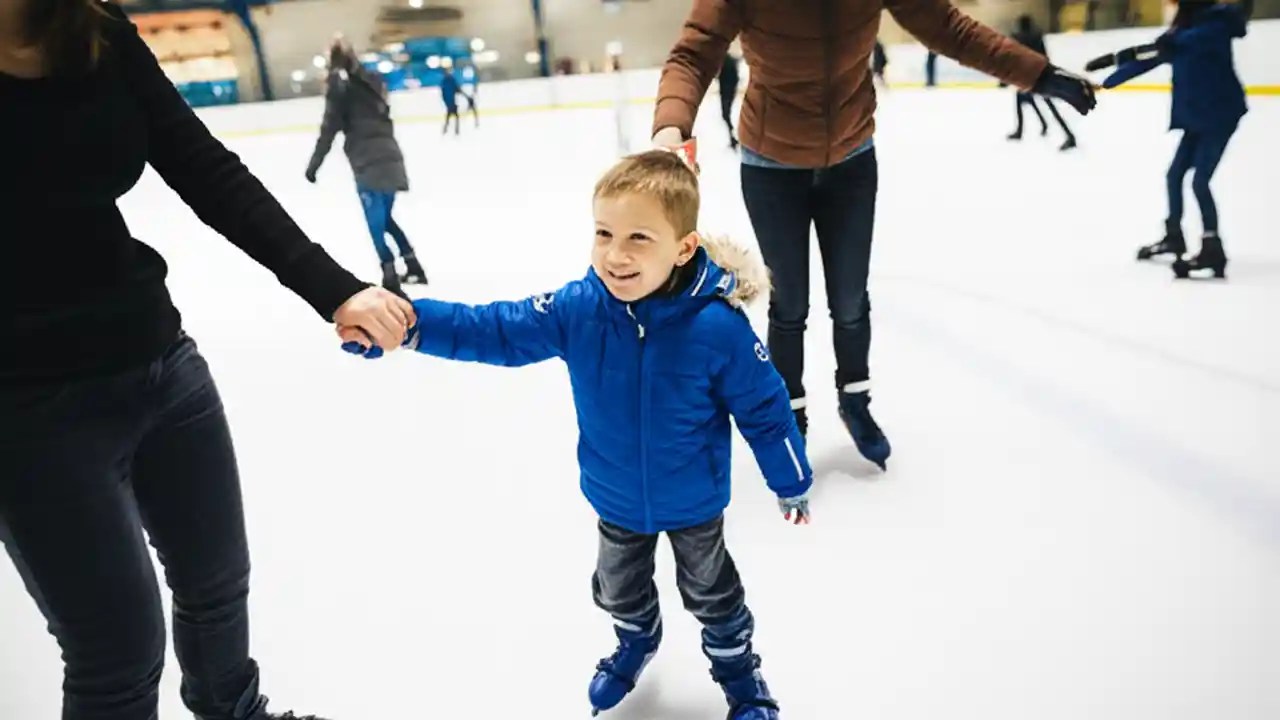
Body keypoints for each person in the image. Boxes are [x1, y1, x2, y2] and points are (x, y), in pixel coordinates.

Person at [0, 3, 414, 719]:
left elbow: (202, 166)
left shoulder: (97, 30)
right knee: (117, 655)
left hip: (161, 364)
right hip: (29, 407)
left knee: (218, 587)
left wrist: (333, 288)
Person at [341, 151, 813, 720]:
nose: (615, 255)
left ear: (683, 249)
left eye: (640, 237)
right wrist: (411, 325)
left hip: (694, 501)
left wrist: (791, 479)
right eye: (604, 233)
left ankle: (741, 677)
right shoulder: (580, 309)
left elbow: (764, 408)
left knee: (712, 594)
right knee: (618, 589)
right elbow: (494, 328)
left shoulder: (717, 328)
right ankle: (637, 639)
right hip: (614, 497)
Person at [652, 0, 1096, 470]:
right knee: (790, 304)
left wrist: (1040, 75)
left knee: (849, 298)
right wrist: (670, 128)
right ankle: (790, 418)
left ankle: (855, 400)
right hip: (772, 161)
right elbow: (694, 53)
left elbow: (948, 28)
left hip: (851, 158)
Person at [1098, 0, 1251, 279]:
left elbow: (1197, 41)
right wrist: (1104, 83)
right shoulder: (1185, 29)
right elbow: (1153, 59)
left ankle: (1212, 247)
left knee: (1200, 181)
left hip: (1219, 114)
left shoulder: (1216, 23)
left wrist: (1172, 41)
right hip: (1196, 116)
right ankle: (1174, 236)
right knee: (1174, 176)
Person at [307, 38, 427, 298]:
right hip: (392, 159)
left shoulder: (340, 90)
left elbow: (329, 129)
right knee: (385, 220)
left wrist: (313, 166)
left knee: (376, 226)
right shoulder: (371, 82)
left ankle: (391, 278)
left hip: (368, 164)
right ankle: (413, 265)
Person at [1007, 14, 1078, 151]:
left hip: (1026, 76)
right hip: (1041, 75)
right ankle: (1066, 134)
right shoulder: (1037, 35)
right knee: (1043, 104)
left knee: (1023, 101)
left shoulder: (1017, 37)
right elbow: (1044, 55)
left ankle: (1022, 131)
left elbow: (1014, 58)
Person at [719, 52, 741, 148]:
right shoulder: (728, 60)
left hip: (727, 92)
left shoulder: (725, 60)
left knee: (725, 115)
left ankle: (733, 137)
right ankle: (732, 137)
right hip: (728, 91)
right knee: (725, 115)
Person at [440, 66, 461, 135]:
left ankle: (447, 129)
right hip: (450, 101)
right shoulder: (448, 80)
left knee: (451, 116)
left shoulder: (446, 80)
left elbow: (455, 88)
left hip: (450, 101)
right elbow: (456, 88)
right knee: (454, 116)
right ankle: (454, 130)